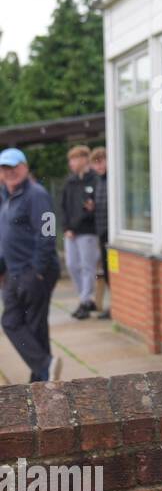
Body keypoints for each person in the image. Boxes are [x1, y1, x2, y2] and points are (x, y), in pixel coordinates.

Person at [0, 149, 62, 382]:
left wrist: (37, 270)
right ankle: (45, 367)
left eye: (14, 167)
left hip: (34, 272)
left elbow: (48, 231)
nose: (10, 172)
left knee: (34, 324)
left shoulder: (36, 194)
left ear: (25, 167)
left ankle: (41, 374)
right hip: (12, 273)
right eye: (5, 168)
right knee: (11, 322)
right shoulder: (6, 197)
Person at [60, 144, 100, 319]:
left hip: (87, 231)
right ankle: (84, 298)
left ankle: (85, 301)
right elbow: (63, 207)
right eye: (70, 159)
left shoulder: (95, 180)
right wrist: (67, 228)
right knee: (71, 265)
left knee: (87, 267)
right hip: (71, 233)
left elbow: (96, 207)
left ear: (85, 159)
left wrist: (92, 209)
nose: (72, 163)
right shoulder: (69, 182)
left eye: (75, 159)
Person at [90, 147, 111, 320]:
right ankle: (112, 305)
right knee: (105, 271)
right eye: (95, 163)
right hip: (101, 232)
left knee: (112, 271)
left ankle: (116, 306)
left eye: (101, 161)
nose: (99, 166)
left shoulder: (114, 179)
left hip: (112, 234)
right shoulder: (98, 182)